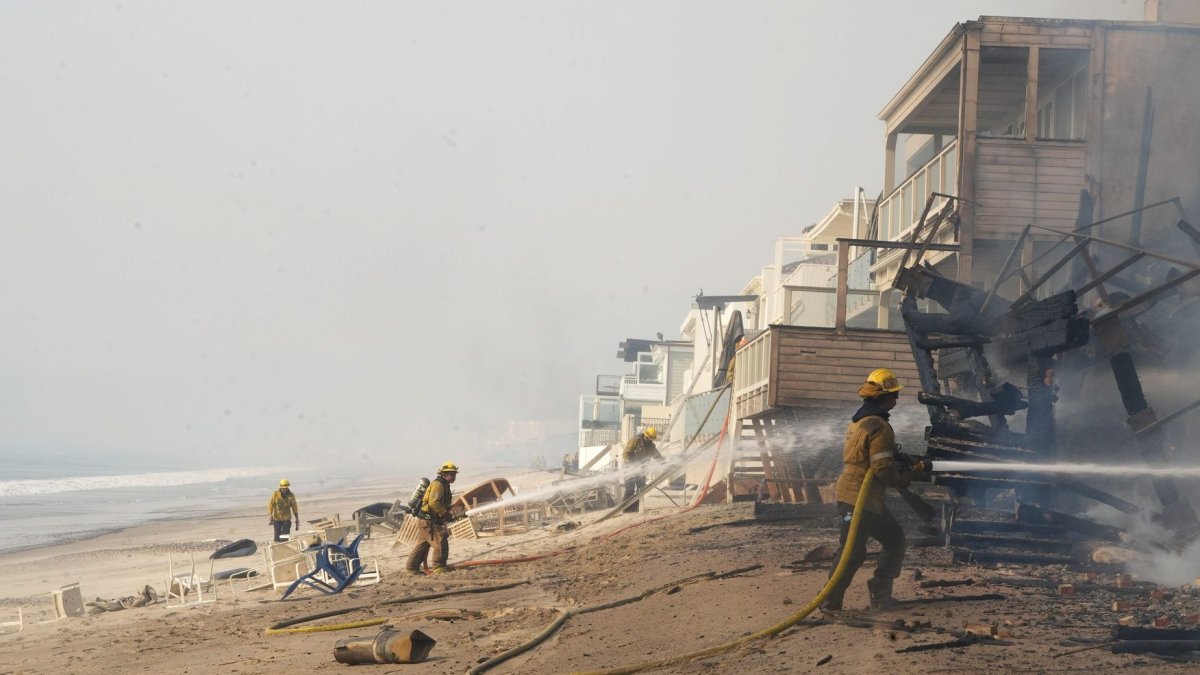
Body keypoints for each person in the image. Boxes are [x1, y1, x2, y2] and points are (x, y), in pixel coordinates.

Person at [822, 368, 914, 612]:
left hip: (863, 498)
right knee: (852, 550)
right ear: (882, 398)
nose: (895, 400)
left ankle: (880, 595)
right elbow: (882, 467)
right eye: (893, 395)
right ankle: (829, 602)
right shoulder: (880, 427)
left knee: (894, 539)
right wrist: (903, 478)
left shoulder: (860, 422)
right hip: (857, 499)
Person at [405, 461, 458, 575]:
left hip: (425, 520)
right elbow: (433, 503)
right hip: (429, 521)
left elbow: (442, 503)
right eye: (451, 474)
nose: (454, 477)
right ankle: (439, 568)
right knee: (440, 542)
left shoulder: (445, 485)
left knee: (422, 544)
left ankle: (411, 567)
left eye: (455, 474)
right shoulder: (438, 484)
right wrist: (445, 514)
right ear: (444, 474)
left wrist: (447, 514)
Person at [621, 427, 664, 513]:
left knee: (641, 490)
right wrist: (631, 465)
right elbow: (626, 454)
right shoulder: (635, 441)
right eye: (649, 439)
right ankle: (626, 509)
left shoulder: (651, 446)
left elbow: (658, 457)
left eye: (652, 439)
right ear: (645, 436)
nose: (650, 441)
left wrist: (665, 464)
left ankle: (634, 508)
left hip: (641, 470)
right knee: (629, 489)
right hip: (629, 469)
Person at [268, 479, 300, 543]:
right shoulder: (275, 494)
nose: (284, 490)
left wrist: (296, 517)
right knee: (277, 537)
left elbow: (294, 506)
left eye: (285, 488)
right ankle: (277, 548)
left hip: (287, 519)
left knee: (285, 537)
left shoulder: (291, 495)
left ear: (288, 487)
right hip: (277, 519)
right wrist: (270, 515)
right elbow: (271, 505)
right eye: (282, 488)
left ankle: (284, 548)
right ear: (280, 487)